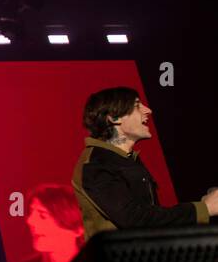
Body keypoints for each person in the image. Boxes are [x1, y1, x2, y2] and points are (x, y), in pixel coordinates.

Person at [72, 87, 217, 240]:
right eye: (137, 105)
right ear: (114, 118)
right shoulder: (95, 165)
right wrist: (204, 208)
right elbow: (136, 219)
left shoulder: (125, 159)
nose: (148, 110)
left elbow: (150, 218)